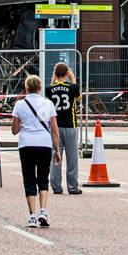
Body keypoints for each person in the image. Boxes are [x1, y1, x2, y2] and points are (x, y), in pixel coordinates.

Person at [11, 75, 60, 227]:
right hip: (44, 144)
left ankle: (32, 215)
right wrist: (57, 149)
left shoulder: (20, 105)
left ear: (26, 88)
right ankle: (43, 210)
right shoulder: (48, 104)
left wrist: (24, 123)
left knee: (29, 178)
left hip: (26, 144)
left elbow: (14, 130)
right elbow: (54, 129)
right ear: (40, 88)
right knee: (43, 177)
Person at [47, 63, 82, 196]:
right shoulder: (73, 88)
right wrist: (73, 79)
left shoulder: (49, 88)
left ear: (55, 74)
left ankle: (56, 186)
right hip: (70, 124)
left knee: (56, 155)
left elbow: (47, 99)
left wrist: (52, 81)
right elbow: (79, 98)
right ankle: (72, 187)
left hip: (55, 125)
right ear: (67, 73)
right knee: (72, 157)